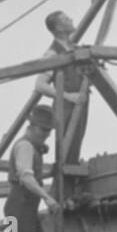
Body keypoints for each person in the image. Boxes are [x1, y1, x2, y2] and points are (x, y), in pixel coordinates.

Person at [4, 106, 59, 232]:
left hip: (26, 208)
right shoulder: (25, 146)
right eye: (43, 131)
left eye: (48, 132)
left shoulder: (33, 147)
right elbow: (26, 178)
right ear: (32, 127)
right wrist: (47, 197)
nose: (46, 136)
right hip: (18, 205)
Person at [34, 11, 88, 164]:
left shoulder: (74, 49)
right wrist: (67, 96)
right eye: (65, 19)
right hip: (65, 106)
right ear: (58, 27)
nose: (71, 18)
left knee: (76, 145)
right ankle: (65, 183)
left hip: (80, 103)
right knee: (66, 148)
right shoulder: (52, 53)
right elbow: (40, 85)